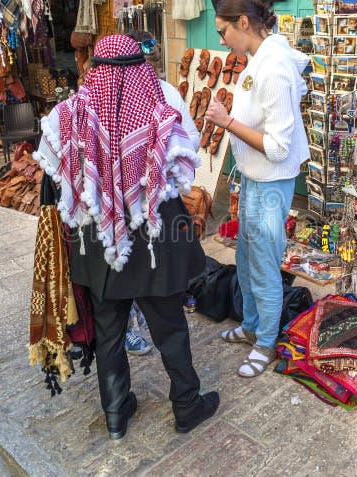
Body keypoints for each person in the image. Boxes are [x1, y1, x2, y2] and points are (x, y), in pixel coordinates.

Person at [34, 34, 218, 440]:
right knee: (169, 325)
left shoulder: (67, 113)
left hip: (99, 238)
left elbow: (52, 170)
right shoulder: (163, 99)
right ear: (142, 64)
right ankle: (186, 406)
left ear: (94, 68)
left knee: (109, 331)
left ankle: (116, 413)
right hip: (155, 233)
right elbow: (188, 164)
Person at [205, 0, 310, 378]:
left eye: (223, 31)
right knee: (246, 259)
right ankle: (251, 325)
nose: (220, 40)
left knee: (264, 264)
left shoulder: (273, 68)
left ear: (243, 23)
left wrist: (228, 122)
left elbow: (280, 148)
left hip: (270, 182)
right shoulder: (258, 61)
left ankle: (266, 341)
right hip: (253, 178)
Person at [121, 29, 202, 356]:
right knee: (152, 261)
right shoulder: (167, 92)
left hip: (127, 201)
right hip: (160, 199)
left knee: (129, 261)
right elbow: (193, 139)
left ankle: (133, 319)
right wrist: (169, 156)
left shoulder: (117, 94)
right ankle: (148, 317)